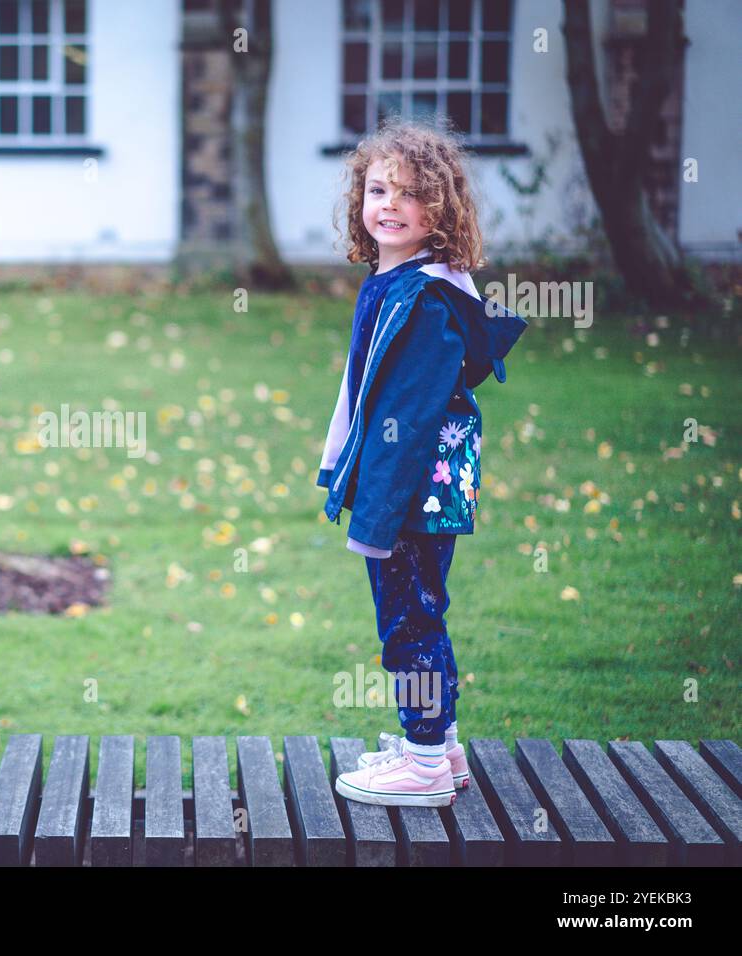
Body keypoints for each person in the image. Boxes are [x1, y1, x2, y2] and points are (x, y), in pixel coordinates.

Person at [321, 118, 527, 808]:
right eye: (377, 189)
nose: (387, 205)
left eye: (408, 195)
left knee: (408, 620)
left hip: (410, 494)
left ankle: (423, 761)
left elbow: (402, 426)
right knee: (421, 612)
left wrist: (376, 513)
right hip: (411, 490)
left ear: (439, 210)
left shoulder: (423, 299)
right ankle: (440, 743)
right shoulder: (397, 282)